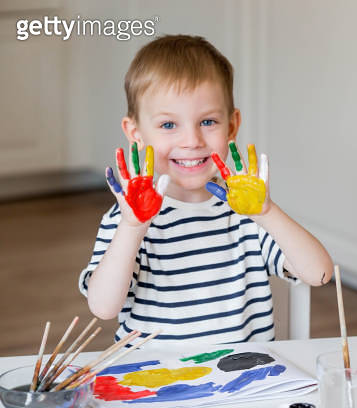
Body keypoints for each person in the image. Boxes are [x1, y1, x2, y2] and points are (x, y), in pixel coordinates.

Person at [79, 34, 334, 348]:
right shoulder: (127, 218)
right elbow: (104, 308)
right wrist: (132, 228)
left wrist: (266, 214)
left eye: (208, 121)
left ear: (231, 126)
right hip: (156, 385)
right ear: (136, 133)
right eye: (169, 125)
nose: (192, 141)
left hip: (241, 383)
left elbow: (319, 274)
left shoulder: (247, 213)